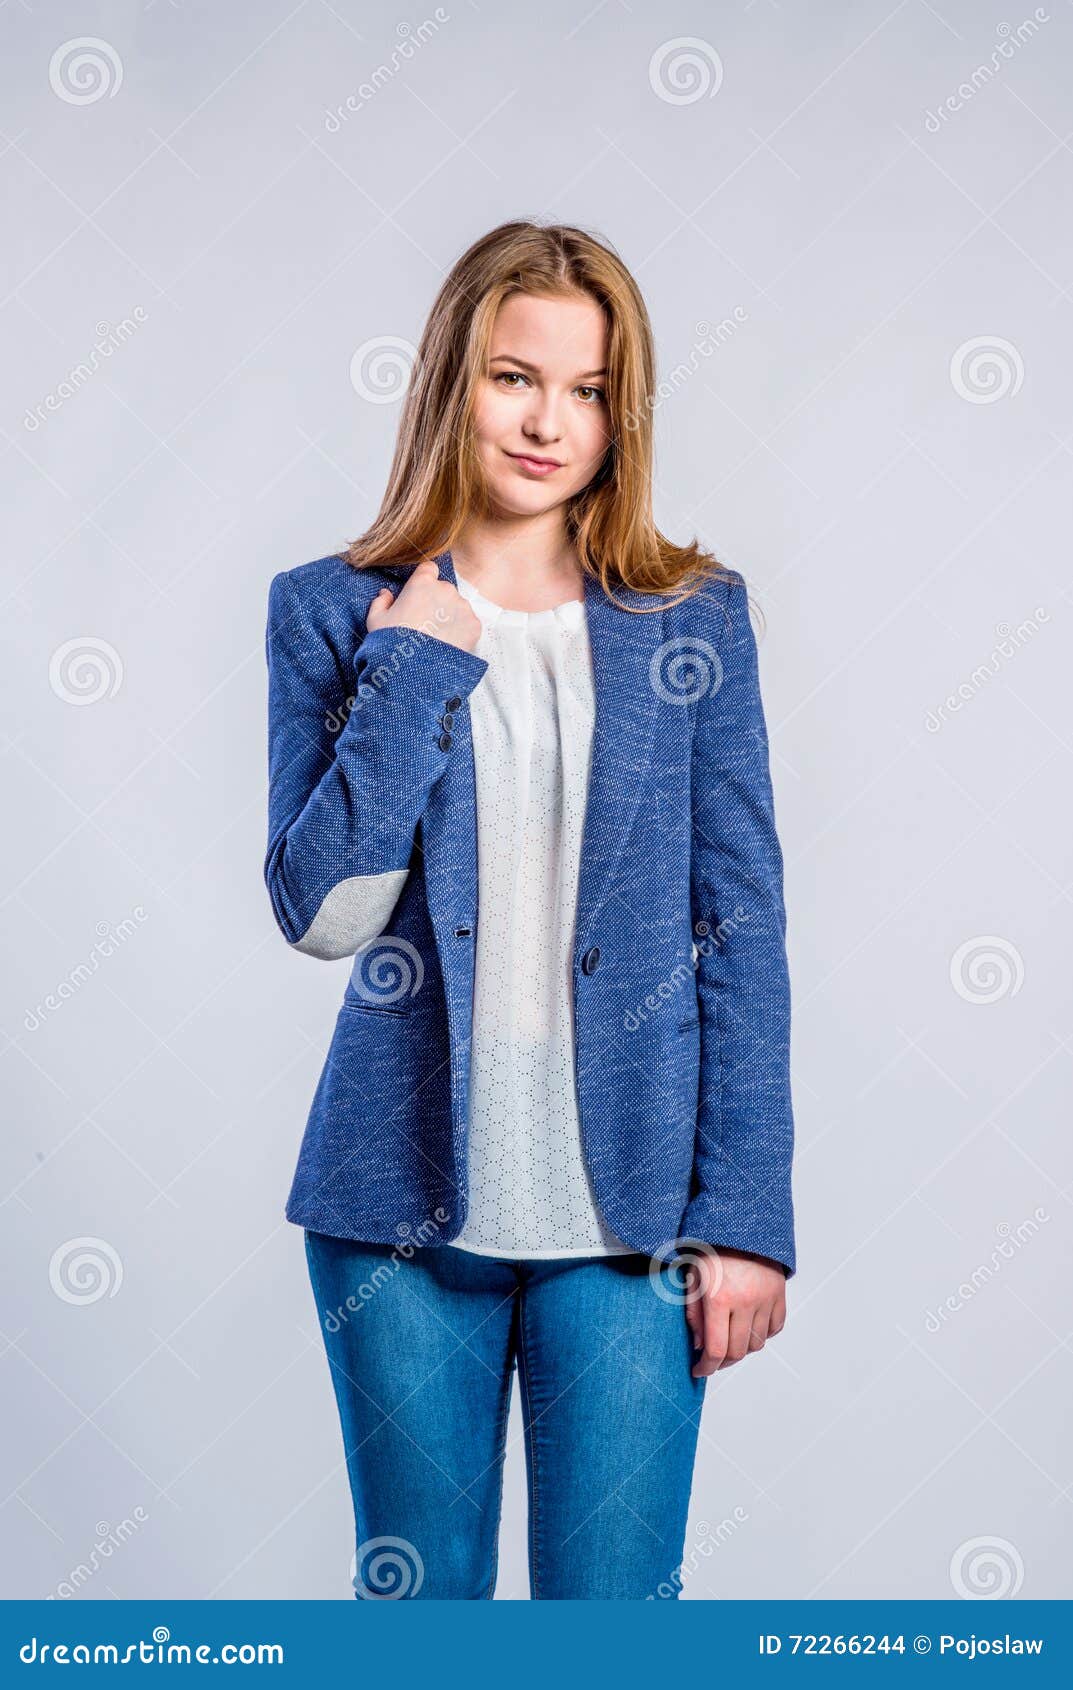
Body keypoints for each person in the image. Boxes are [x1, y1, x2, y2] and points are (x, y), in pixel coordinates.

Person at [263, 220, 796, 1600]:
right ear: (454, 379)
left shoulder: (690, 618)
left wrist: (746, 1212)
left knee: (612, 1626)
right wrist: (411, 675)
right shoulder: (333, 611)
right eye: (515, 378)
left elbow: (740, 925)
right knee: (422, 1617)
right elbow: (324, 917)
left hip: (633, 1219)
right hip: (397, 1209)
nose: (550, 423)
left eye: (590, 390)